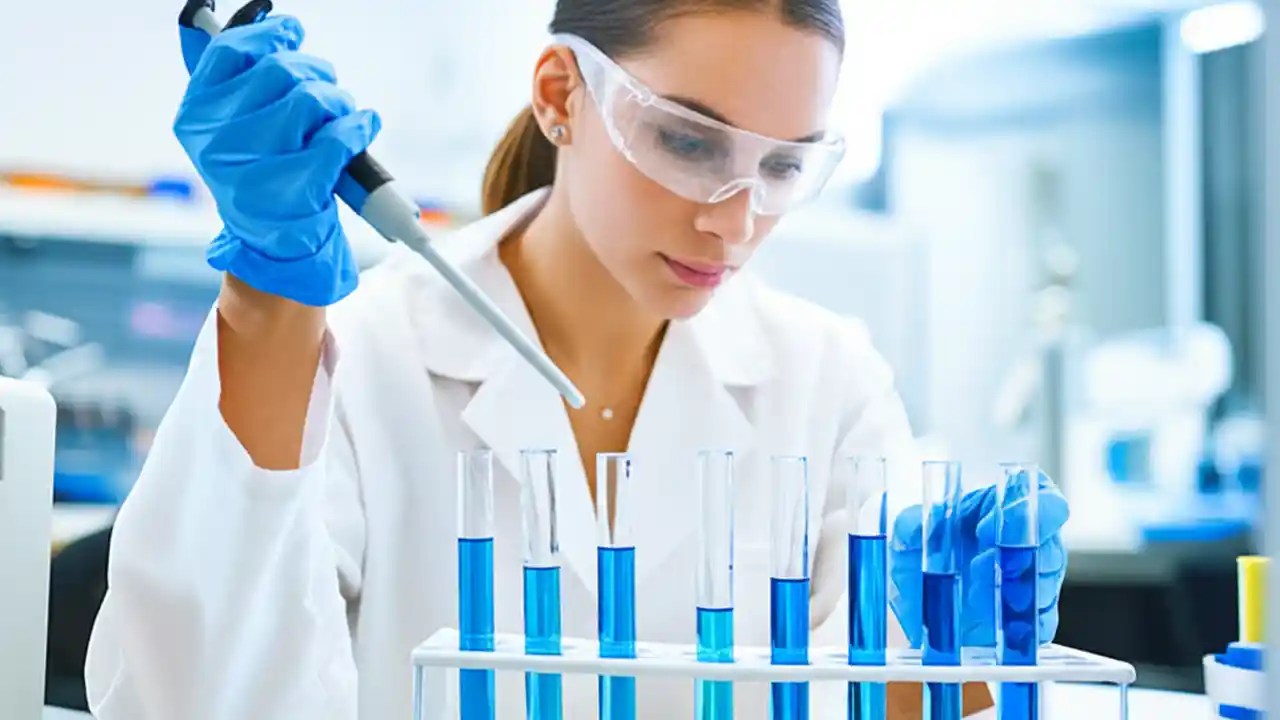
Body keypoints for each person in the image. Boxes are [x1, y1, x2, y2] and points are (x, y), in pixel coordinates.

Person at [85, 1, 1069, 718]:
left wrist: (959, 662)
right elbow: (194, 698)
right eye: (688, 141)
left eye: (780, 167)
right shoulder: (373, 353)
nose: (734, 221)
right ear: (561, 94)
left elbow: (859, 705)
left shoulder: (828, 382)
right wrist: (267, 305)